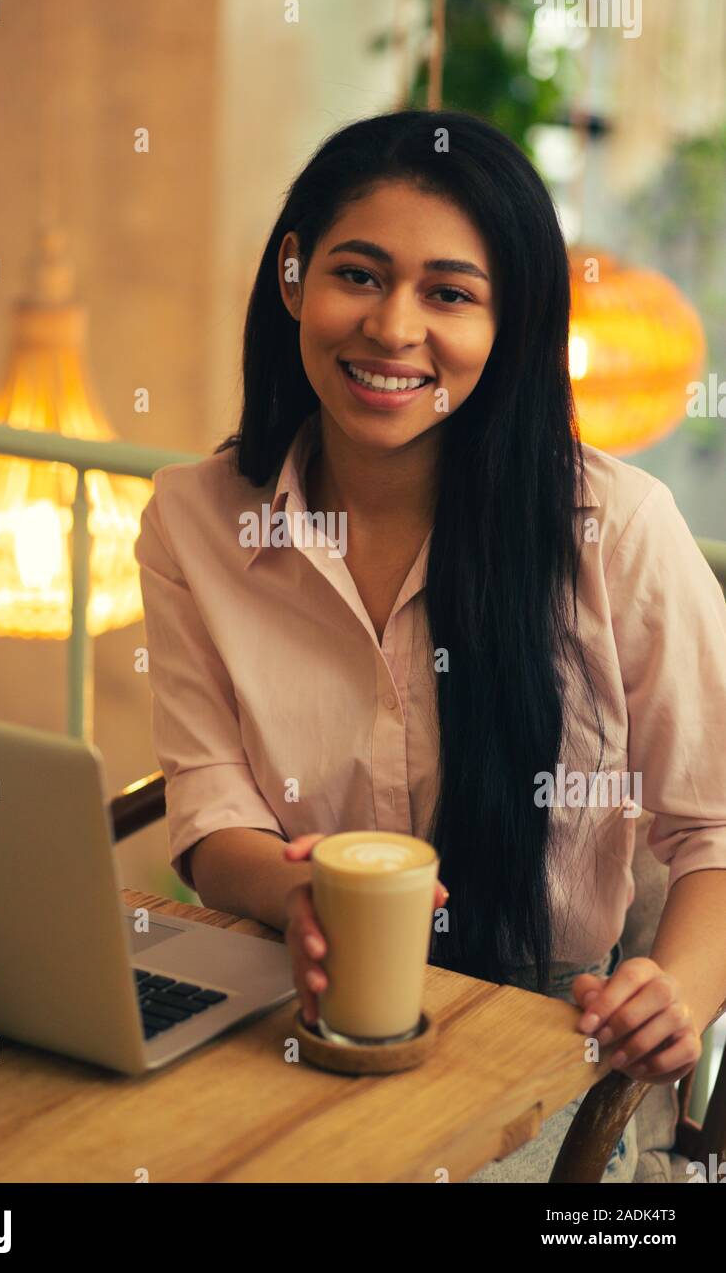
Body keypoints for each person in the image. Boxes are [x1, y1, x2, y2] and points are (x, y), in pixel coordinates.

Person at [134, 109, 726, 1182]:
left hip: (540, 1047)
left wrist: (672, 990)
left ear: (511, 324)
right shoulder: (192, 518)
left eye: (449, 293)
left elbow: (716, 826)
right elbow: (211, 804)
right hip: (287, 1004)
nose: (391, 328)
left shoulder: (617, 530)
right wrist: (288, 892)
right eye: (356, 275)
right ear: (291, 277)